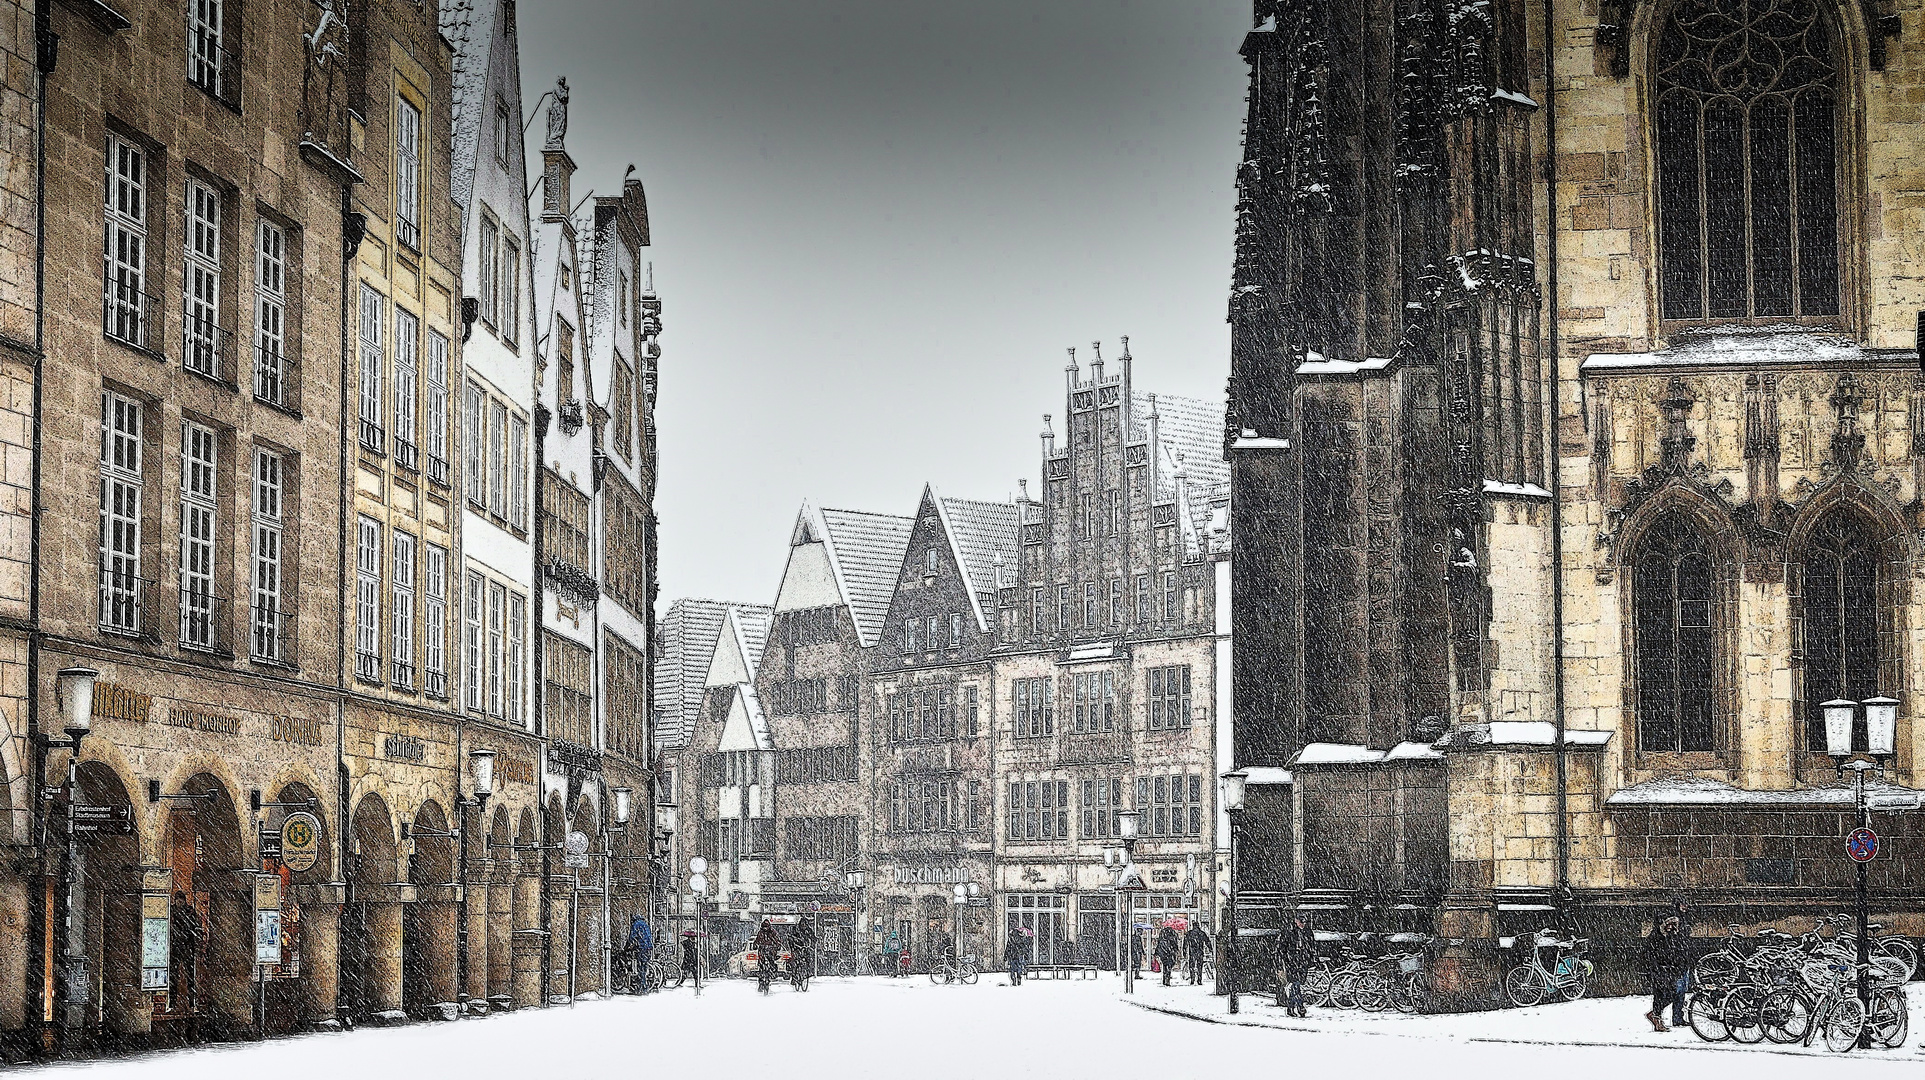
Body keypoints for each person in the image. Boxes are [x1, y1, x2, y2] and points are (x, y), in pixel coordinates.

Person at [1642, 913, 1688, 1032]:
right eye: (1669, 924)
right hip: (1659, 970)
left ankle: (1655, 1015)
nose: (1671, 926)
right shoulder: (1656, 937)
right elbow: (1650, 955)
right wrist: (1656, 969)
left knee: (1670, 993)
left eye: (1674, 924)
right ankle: (1657, 1018)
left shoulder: (1673, 937)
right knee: (1662, 994)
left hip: (1670, 970)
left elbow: (1676, 953)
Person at [1278, 913, 1313, 1017]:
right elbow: (1282, 947)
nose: (1302, 924)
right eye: (1301, 922)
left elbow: (1312, 946)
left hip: (1303, 962)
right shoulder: (1289, 932)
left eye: (1304, 922)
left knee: (1295, 985)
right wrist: (1287, 959)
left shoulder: (1307, 932)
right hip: (1292, 962)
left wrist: (1310, 958)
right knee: (1296, 984)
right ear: (1296, 921)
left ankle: (1290, 1007)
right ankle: (1301, 1007)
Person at [625, 915, 653, 994]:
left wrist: (627, 947)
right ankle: (644, 986)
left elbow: (632, 937)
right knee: (644, 968)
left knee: (640, 969)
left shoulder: (636, 924)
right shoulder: (645, 924)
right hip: (648, 948)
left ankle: (642, 988)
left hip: (642, 948)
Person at [754, 919, 781, 995]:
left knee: (772, 964)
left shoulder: (773, 932)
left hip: (771, 952)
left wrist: (777, 946)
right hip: (762, 952)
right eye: (764, 927)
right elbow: (757, 940)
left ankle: (772, 974)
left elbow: (778, 940)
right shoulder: (760, 933)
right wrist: (755, 945)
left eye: (766, 927)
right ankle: (761, 981)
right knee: (761, 967)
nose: (765, 928)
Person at [790, 916, 816, 991]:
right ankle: (794, 977)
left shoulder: (808, 930)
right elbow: (791, 938)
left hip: (805, 948)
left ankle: (807, 972)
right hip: (796, 948)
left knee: (808, 959)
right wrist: (794, 945)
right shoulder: (796, 930)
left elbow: (813, 937)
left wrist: (813, 944)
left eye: (805, 924)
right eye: (803, 924)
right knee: (795, 962)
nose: (804, 926)